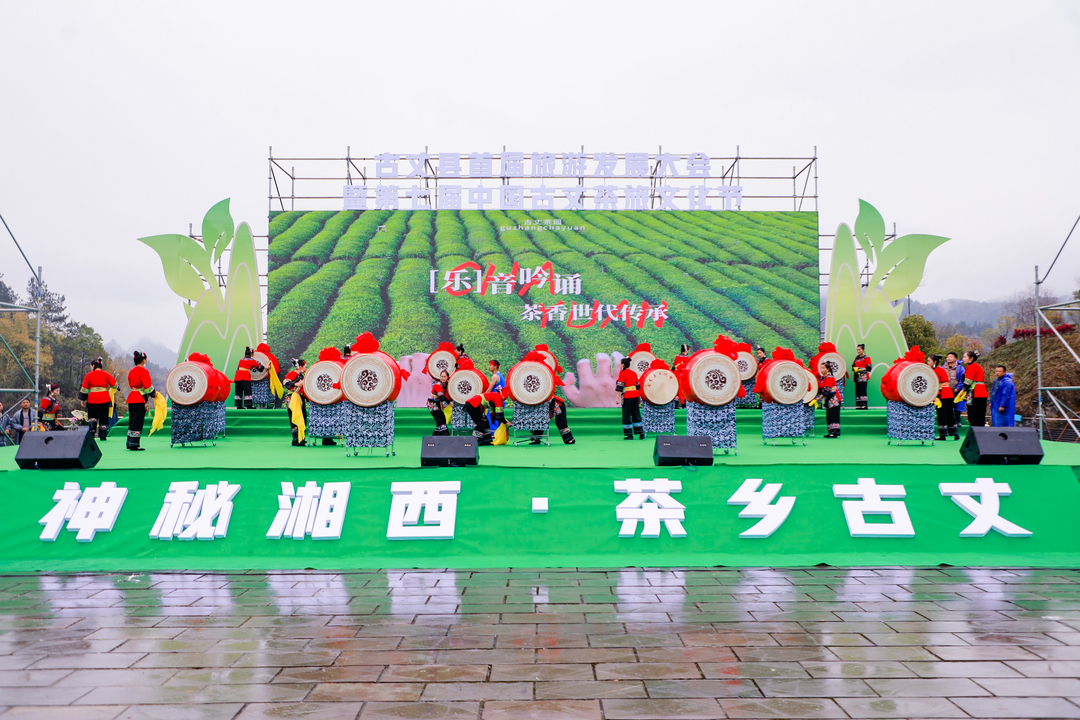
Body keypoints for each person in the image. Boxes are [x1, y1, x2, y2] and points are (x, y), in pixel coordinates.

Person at [79, 358, 117, 441]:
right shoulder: (106, 374)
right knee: (104, 417)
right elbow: (115, 385)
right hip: (104, 398)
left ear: (93, 366)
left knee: (92, 417)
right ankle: (103, 436)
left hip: (92, 399)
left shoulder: (88, 375)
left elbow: (84, 389)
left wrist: (82, 400)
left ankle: (92, 433)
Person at [125, 350, 155, 451]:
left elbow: (130, 384)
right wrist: (153, 393)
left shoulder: (131, 371)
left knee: (132, 420)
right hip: (139, 398)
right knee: (138, 421)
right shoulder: (144, 371)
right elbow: (147, 386)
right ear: (143, 360)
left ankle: (129, 441)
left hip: (132, 396)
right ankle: (134, 444)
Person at [928, 354, 958, 441]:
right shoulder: (941, 370)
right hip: (948, 393)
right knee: (949, 413)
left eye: (929, 361)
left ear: (935, 362)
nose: (928, 362)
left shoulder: (936, 371)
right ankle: (954, 433)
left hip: (942, 394)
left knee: (942, 414)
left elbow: (936, 384)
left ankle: (943, 434)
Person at [616, 357, 644, 440]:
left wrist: (617, 398)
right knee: (636, 414)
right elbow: (638, 386)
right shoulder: (634, 373)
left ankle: (629, 434)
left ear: (623, 364)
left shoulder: (623, 373)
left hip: (627, 396)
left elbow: (620, 387)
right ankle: (641, 432)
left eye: (621, 363)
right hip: (635, 395)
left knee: (627, 415)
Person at [283, 358, 307, 446]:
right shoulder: (292, 374)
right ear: (300, 366)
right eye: (304, 366)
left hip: (300, 398)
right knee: (295, 418)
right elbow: (285, 382)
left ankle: (301, 438)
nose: (305, 368)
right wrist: (295, 384)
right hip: (293, 398)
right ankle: (296, 439)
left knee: (302, 417)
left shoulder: (302, 376)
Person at [961, 351, 988, 428]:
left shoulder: (971, 367)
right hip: (982, 391)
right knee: (980, 414)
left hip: (975, 391)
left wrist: (963, 391)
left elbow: (968, 381)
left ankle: (975, 430)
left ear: (971, 358)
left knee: (973, 414)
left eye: (965, 357)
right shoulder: (977, 366)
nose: (963, 359)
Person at [817, 360, 843, 438]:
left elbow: (826, 391)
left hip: (834, 399)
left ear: (828, 369)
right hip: (829, 399)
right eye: (821, 368)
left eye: (823, 368)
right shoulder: (823, 378)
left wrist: (817, 399)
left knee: (833, 416)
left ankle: (833, 432)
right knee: (829, 416)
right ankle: (831, 432)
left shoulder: (829, 378)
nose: (822, 369)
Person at [944, 352, 966, 430]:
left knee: (957, 406)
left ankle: (957, 421)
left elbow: (962, 379)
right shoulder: (944, 367)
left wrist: (958, 388)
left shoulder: (960, 368)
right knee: (947, 406)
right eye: (948, 357)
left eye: (951, 357)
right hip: (946, 390)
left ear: (955, 358)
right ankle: (948, 421)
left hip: (956, 390)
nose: (948, 358)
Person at [428, 369, 450, 436]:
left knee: (440, 421)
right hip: (433, 404)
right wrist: (450, 402)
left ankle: (435, 435)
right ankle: (445, 434)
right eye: (442, 376)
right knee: (441, 419)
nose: (443, 378)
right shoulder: (437, 385)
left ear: (447, 377)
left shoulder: (447, 385)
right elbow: (442, 397)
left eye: (444, 376)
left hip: (438, 405)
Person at [851, 344, 872, 410]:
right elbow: (853, 365)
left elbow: (869, 367)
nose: (858, 351)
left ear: (863, 350)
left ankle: (864, 405)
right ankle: (859, 405)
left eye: (859, 349)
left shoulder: (867, 358)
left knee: (862, 390)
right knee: (858, 390)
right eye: (857, 350)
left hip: (863, 376)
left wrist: (860, 369)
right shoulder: (856, 358)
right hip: (857, 376)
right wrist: (855, 369)